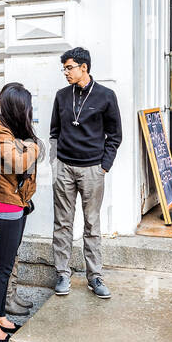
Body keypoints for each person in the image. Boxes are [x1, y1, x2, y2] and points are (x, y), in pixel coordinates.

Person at [49, 46, 121, 299]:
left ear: (84, 68)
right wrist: (55, 163)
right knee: (63, 223)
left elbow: (115, 135)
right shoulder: (61, 95)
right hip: (65, 168)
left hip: (92, 169)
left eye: (69, 68)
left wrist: (105, 165)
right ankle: (62, 273)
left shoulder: (105, 96)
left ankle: (95, 276)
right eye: (64, 68)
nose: (66, 73)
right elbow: (54, 132)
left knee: (92, 223)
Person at [0, 85, 41, 342]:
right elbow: (19, 163)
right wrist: (35, 146)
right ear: (18, 109)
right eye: (27, 107)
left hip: (16, 204)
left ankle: (2, 316)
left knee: (6, 267)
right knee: (2, 270)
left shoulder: (9, 131)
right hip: (5, 208)